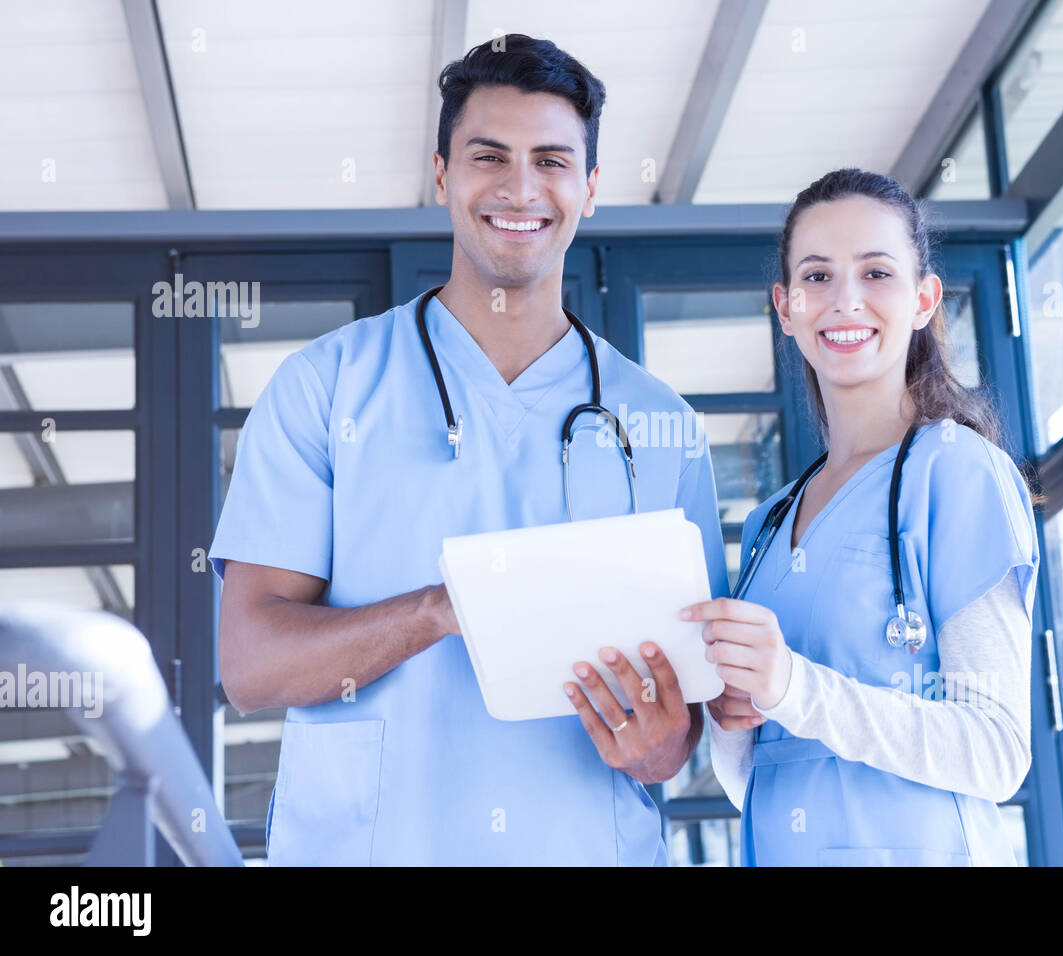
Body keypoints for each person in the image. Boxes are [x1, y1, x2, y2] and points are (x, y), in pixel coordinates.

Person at [210, 34, 729, 866]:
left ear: (589, 189)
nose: (521, 188)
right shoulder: (325, 388)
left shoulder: (659, 424)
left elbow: (685, 728)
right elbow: (251, 666)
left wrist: (661, 747)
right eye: (490, 156)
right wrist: (444, 610)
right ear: (445, 177)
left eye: (552, 161)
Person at [684, 168, 1040, 866]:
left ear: (922, 299)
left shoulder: (959, 475)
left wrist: (795, 686)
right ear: (784, 308)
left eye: (876, 273)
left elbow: (998, 751)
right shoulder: (767, 526)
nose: (845, 301)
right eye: (817, 277)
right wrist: (733, 724)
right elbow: (758, 784)